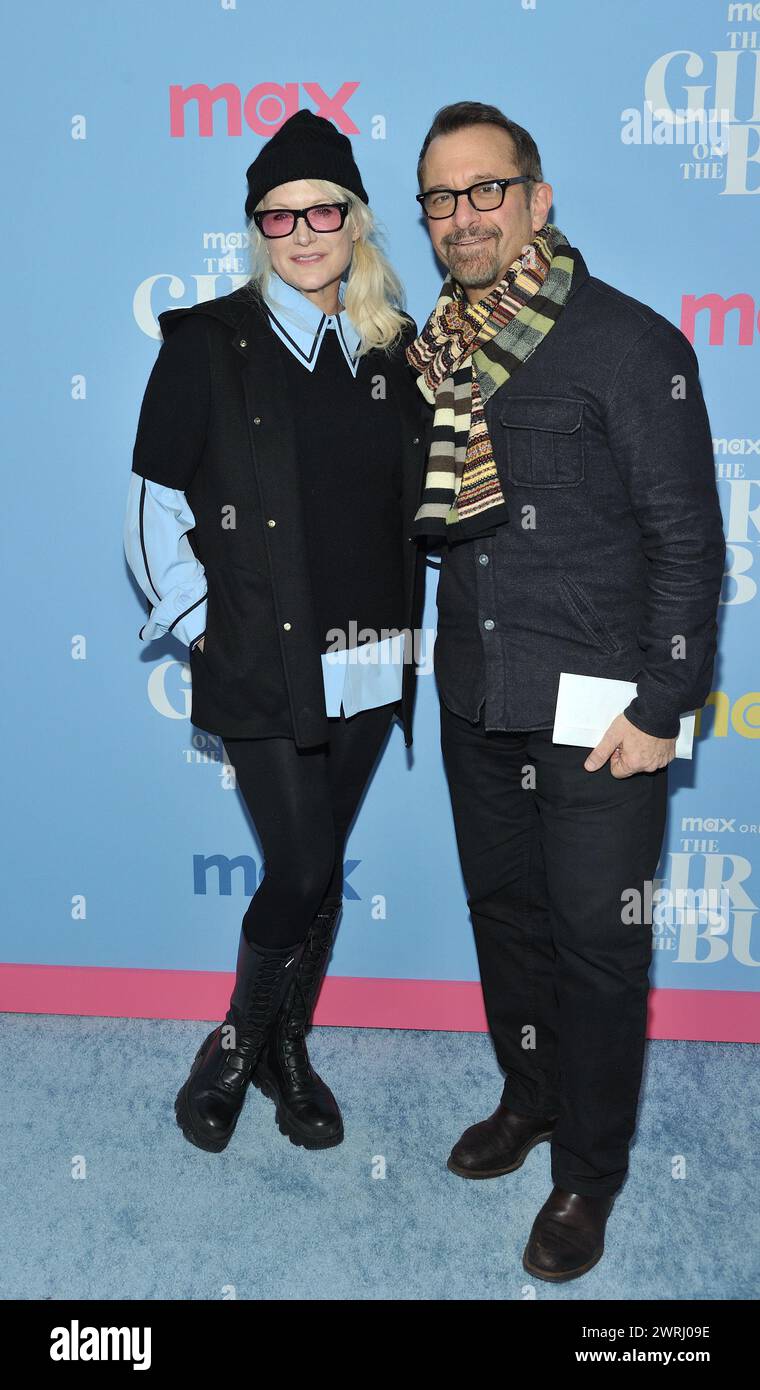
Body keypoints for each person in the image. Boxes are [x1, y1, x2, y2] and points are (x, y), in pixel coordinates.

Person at [409, 101, 725, 1282]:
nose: (462, 217)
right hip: (477, 698)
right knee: (508, 919)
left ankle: (589, 1171)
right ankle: (530, 1097)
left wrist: (663, 706)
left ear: (539, 200)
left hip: (604, 716)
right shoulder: (432, 352)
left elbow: (689, 543)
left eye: (486, 190)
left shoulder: (633, 348)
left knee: (598, 945)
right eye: (441, 198)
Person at [124, 110, 429, 1155]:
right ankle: (231, 1050)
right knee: (298, 868)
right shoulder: (209, 342)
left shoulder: (396, 345)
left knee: (321, 856)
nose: (301, 230)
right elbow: (152, 501)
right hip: (263, 652)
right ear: (257, 227)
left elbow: (427, 498)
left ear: (355, 219)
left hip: (373, 649)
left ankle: (287, 1050)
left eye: (321, 209)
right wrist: (206, 630)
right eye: (278, 214)